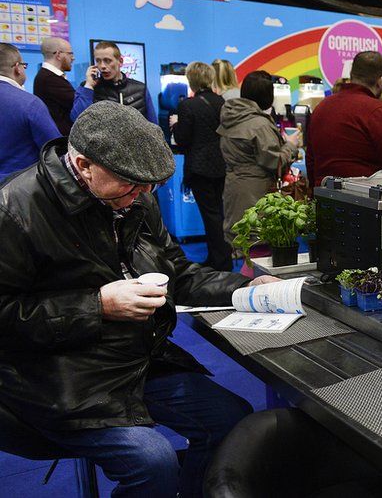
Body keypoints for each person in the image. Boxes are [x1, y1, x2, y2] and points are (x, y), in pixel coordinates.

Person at [0, 101, 277, 497]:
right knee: (153, 460)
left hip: (134, 360)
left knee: (230, 420)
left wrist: (242, 289)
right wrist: (96, 306)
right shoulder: (13, 210)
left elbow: (177, 272)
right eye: (131, 184)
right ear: (83, 165)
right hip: (55, 376)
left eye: (150, 185)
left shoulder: (133, 196)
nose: (142, 195)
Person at [218, 70, 300, 245]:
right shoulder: (259, 123)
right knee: (257, 244)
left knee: (239, 242)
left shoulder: (231, 115)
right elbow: (274, 161)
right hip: (255, 192)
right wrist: (291, 145)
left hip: (233, 187)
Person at [306, 51, 382, 184]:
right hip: (363, 199)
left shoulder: (322, 107)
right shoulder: (377, 111)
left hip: (323, 196)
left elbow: (310, 160)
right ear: (380, 80)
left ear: (351, 75)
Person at [171, 61, 233, 271]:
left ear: (191, 80)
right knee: (218, 213)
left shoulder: (187, 105)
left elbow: (183, 139)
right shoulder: (221, 101)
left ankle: (220, 259)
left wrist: (175, 126)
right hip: (221, 165)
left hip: (199, 168)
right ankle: (219, 256)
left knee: (210, 215)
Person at [0, 43, 61, 180]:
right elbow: (54, 150)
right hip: (18, 190)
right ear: (17, 68)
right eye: (24, 66)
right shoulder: (30, 104)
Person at [71, 40, 158, 123]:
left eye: (107, 61)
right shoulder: (87, 88)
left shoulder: (140, 88)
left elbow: (153, 125)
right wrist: (88, 87)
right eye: (98, 61)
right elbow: (76, 120)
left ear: (120, 61)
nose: (102, 66)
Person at [33, 37, 77, 136]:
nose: (73, 58)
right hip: (61, 141)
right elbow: (78, 105)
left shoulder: (46, 77)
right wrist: (87, 87)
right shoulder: (49, 79)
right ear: (58, 55)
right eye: (70, 54)